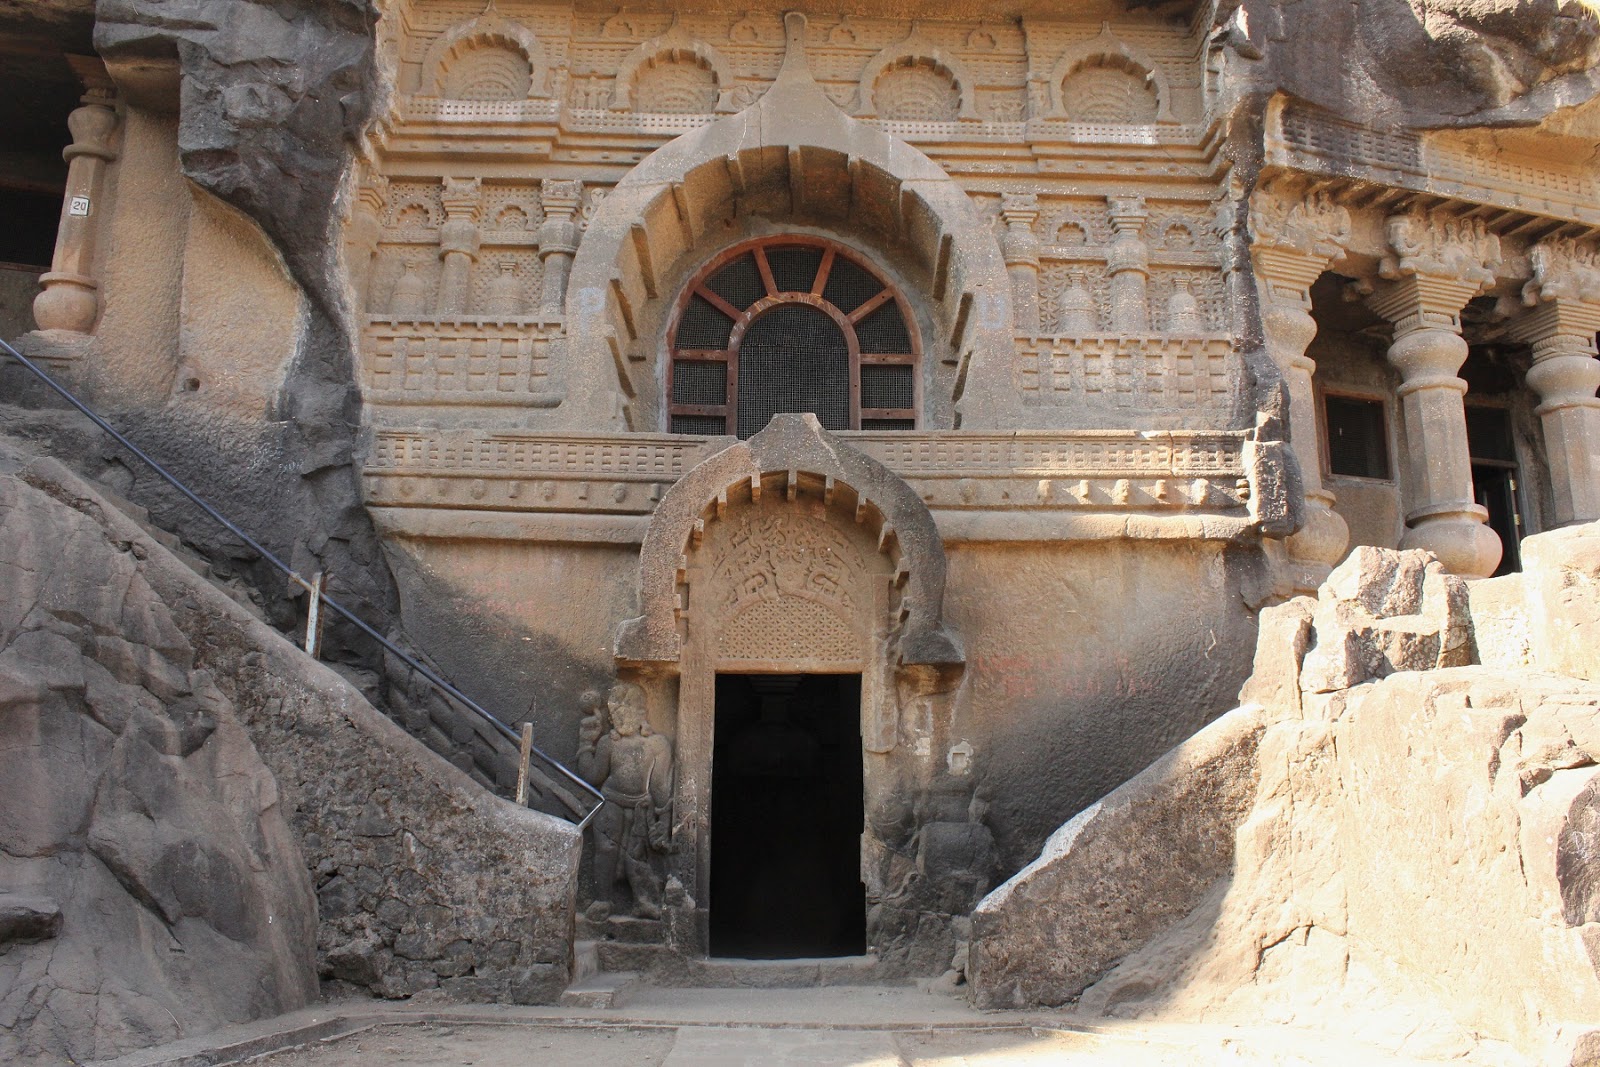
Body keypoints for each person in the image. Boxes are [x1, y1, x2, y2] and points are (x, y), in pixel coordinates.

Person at [577, 682, 673, 918]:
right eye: (616, 713)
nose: (621, 717)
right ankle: (603, 900)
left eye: (627, 710)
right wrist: (586, 743)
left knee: (637, 856)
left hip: (641, 805)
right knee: (605, 850)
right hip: (610, 801)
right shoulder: (609, 743)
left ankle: (643, 901)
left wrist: (665, 819)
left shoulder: (657, 745)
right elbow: (593, 776)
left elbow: (659, 786)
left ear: (642, 712)